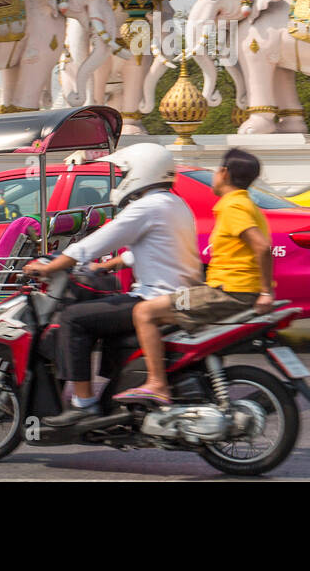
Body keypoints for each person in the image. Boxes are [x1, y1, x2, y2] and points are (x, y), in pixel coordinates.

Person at [21, 144, 202, 426]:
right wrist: (110, 264)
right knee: (106, 309)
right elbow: (161, 247)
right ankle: (115, 390)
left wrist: (49, 266)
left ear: (141, 172)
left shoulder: (145, 208)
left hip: (156, 297)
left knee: (73, 319)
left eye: (125, 172)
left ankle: (83, 404)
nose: (122, 178)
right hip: (180, 295)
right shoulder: (174, 203)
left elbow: (95, 242)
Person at [114, 147, 275, 407]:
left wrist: (266, 292)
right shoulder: (244, 203)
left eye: (216, 170)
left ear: (224, 173)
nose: (214, 175)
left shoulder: (234, 205)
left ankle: (157, 384)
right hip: (231, 288)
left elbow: (262, 247)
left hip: (230, 293)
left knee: (145, 313)